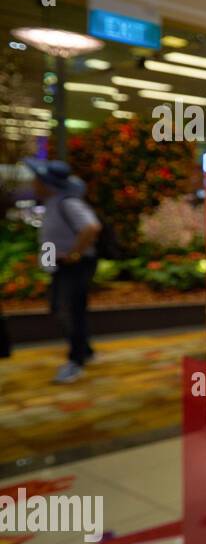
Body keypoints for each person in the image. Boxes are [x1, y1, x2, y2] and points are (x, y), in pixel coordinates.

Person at [24, 158, 100, 383]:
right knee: (68, 308)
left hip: (74, 265)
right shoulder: (53, 203)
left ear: (48, 183)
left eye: (37, 179)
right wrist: (48, 264)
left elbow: (91, 227)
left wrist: (75, 253)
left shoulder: (67, 203)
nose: (33, 183)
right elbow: (49, 239)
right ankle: (84, 350)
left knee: (67, 309)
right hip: (63, 266)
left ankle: (75, 361)